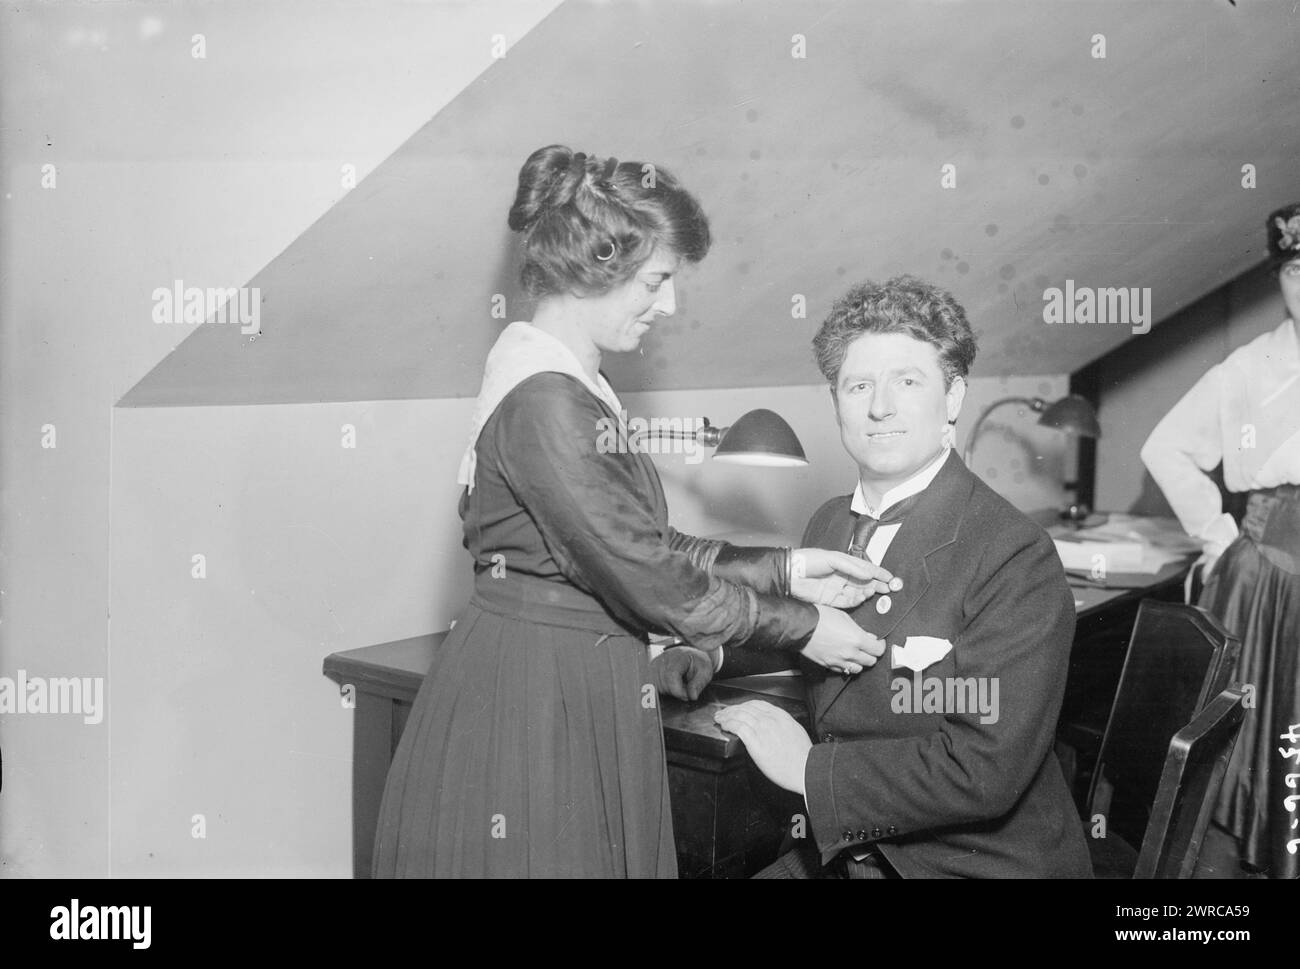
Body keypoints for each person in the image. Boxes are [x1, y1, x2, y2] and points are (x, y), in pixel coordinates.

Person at [371, 145, 895, 878]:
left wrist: (789, 569)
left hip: (573, 675)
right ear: (595, 265)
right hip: (535, 691)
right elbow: (652, 578)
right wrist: (805, 629)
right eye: (657, 279)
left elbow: (645, 542)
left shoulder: (575, 381)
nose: (669, 304)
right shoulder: (546, 402)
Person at [713, 275, 1093, 878]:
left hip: (966, 864)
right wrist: (708, 656)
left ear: (953, 398)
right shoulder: (829, 522)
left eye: (907, 382)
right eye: (858, 385)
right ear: (836, 400)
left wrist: (808, 770)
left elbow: (983, 769)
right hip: (852, 845)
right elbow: (818, 652)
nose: (879, 407)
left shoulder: (1015, 554)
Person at [1140, 202, 1300, 878]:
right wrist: (1222, 537)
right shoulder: (1251, 369)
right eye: (1294, 270)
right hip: (1269, 578)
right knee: (1251, 753)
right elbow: (1165, 445)